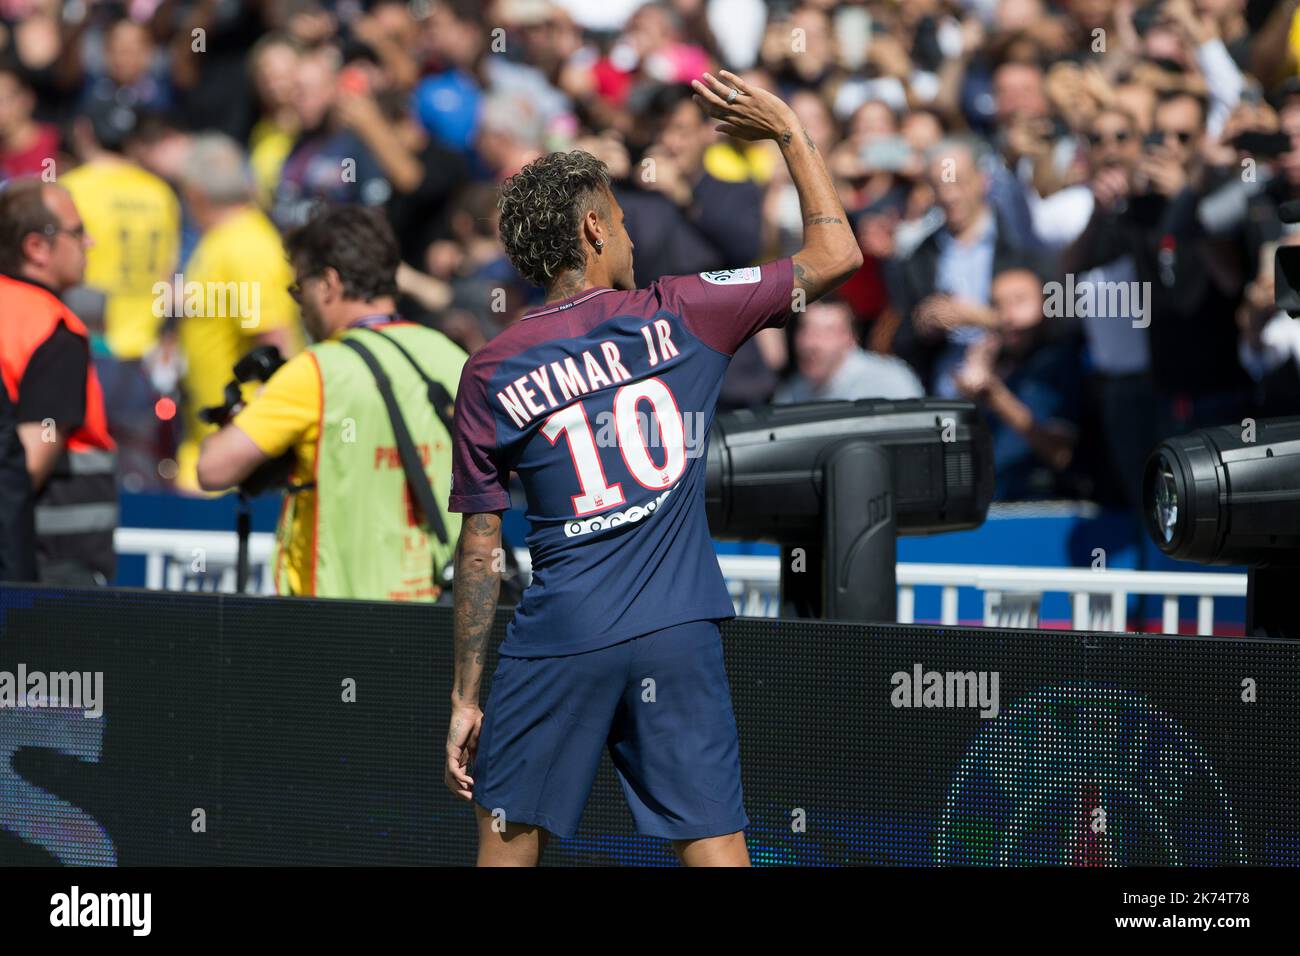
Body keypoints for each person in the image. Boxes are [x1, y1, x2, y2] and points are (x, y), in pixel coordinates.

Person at [443, 70, 861, 867]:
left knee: (503, 851)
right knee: (717, 854)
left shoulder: (492, 369)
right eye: (626, 223)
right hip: (677, 630)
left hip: (559, 637)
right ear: (596, 229)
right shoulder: (686, 309)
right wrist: (789, 134)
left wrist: (467, 696)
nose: (635, 239)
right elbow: (837, 253)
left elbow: (482, 545)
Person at [196, 205, 467, 603]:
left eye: (297, 289)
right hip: (438, 606)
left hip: (337, 617)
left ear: (328, 283)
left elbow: (212, 469)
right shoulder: (451, 357)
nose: (298, 305)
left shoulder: (317, 370)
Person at [0, 179, 117, 584]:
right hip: (50, 571)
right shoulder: (54, 330)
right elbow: (28, 464)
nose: (91, 242)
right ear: (37, 248)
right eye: (77, 231)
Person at [173, 133, 302, 493]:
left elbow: (277, 348)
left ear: (194, 192)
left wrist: (250, 451)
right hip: (212, 453)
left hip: (237, 471)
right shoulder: (225, 239)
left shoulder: (246, 246)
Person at [774, 298, 923, 403]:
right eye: (806, 330)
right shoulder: (791, 393)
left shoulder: (889, 381)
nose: (811, 344)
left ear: (851, 339)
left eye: (826, 332)